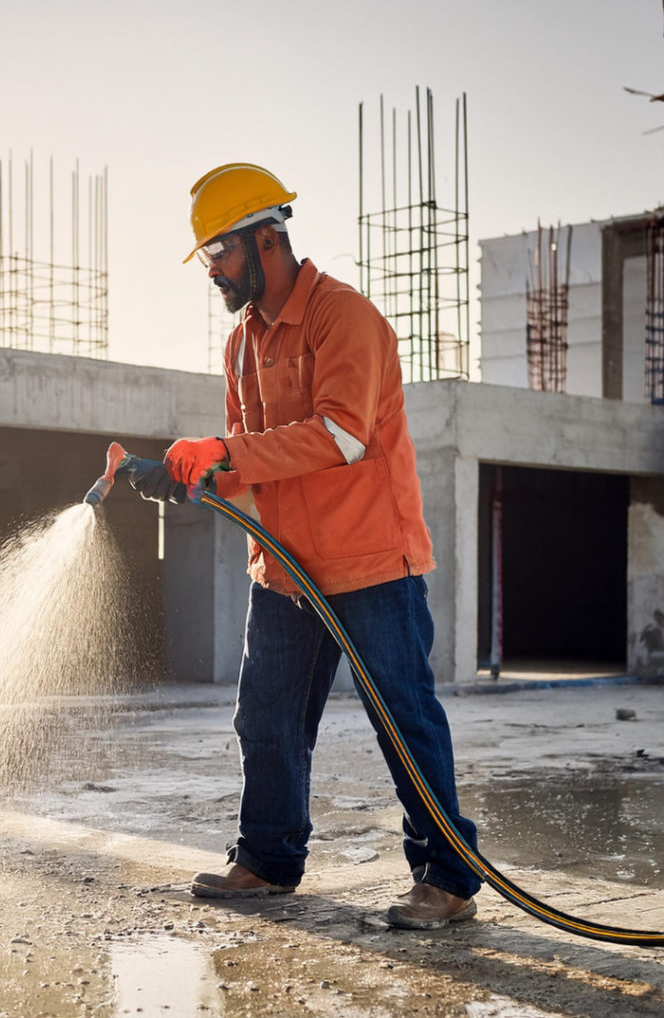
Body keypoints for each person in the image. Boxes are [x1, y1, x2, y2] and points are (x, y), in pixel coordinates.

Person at [141, 163, 481, 930]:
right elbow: (248, 457)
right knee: (266, 717)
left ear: (269, 238)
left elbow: (341, 436)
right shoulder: (240, 345)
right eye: (206, 258)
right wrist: (180, 474)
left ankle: (448, 878)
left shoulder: (344, 319)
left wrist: (223, 453)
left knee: (402, 716)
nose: (214, 271)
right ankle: (266, 860)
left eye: (220, 253)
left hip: (368, 562)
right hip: (287, 568)